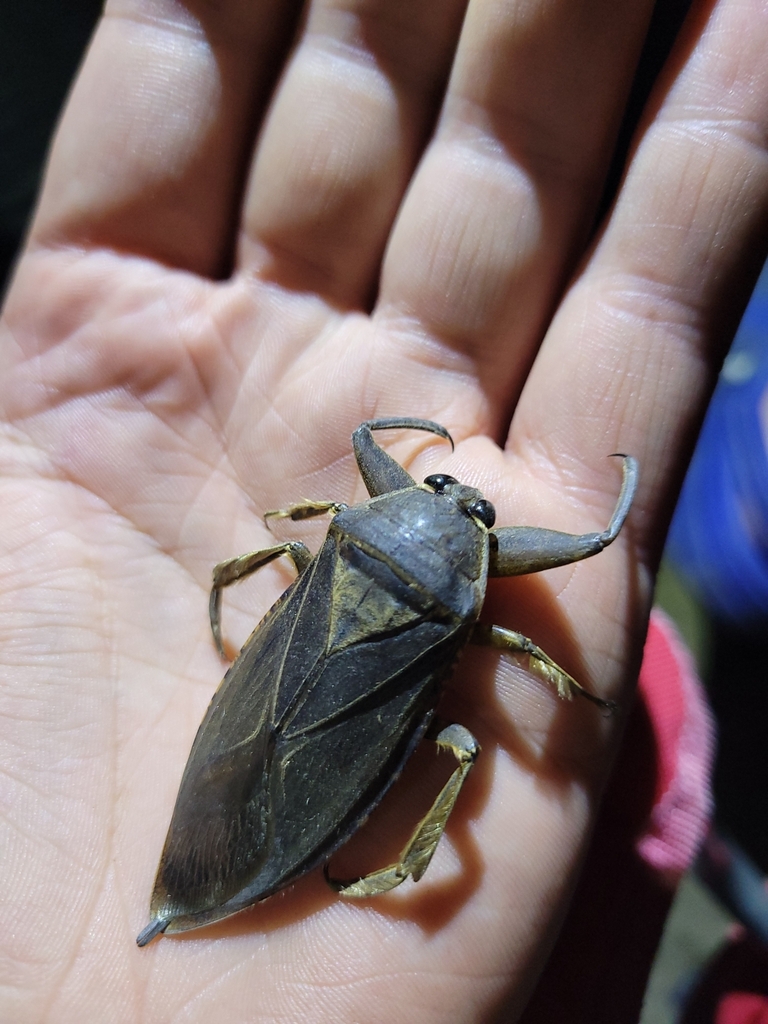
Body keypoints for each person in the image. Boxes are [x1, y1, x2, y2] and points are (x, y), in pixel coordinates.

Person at [1, 0, 766, 1020]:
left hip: (315, 642)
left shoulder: (349, 529)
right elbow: (582, 546)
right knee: (460, 747)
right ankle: (307, 880)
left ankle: (226, 890)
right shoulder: (446, 590)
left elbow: (356, 489)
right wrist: (558, 636)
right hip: (359, 699)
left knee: (453, 744)